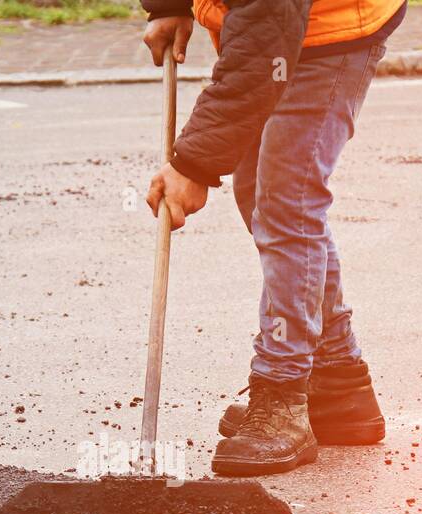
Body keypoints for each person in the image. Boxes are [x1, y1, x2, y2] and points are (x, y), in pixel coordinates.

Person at [141, 0, 406, 476]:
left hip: (329, 32)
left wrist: (194, 165)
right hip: (275, 30)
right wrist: (170, 5)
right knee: (258, 193)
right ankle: (339, 386)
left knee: (288, 198)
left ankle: (282, 395)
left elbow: (266, 28)